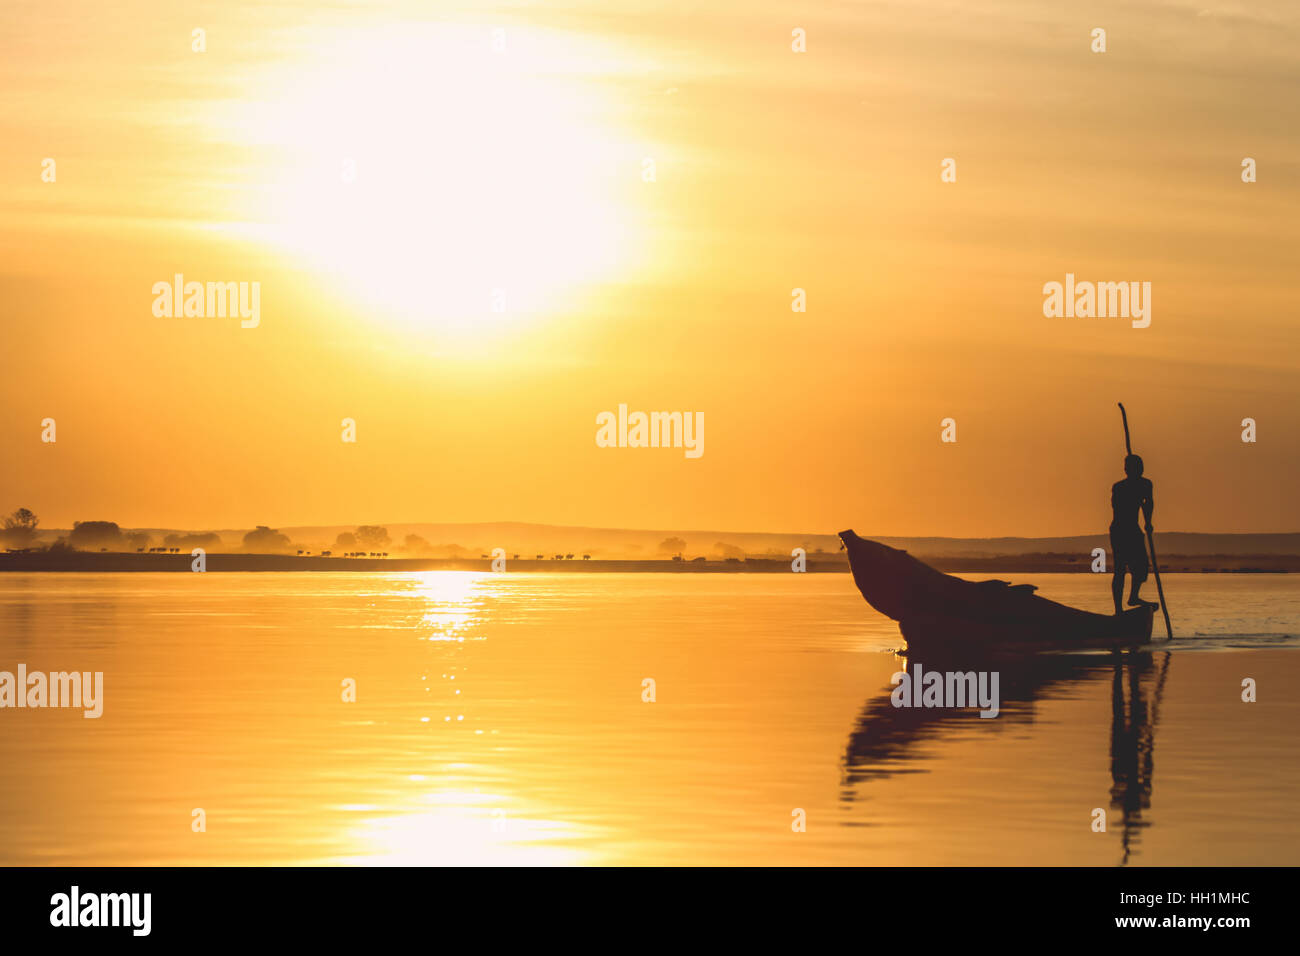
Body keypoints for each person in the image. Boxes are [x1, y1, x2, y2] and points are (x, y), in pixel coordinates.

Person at [1110, 454, 1158, 615]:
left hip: (1134, 529)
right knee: (1120, 569)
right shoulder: (1119, 487)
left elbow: (1149, 503)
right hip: (1120, 530)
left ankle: (1133, 597)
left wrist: (1148, 522)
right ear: (1127, 470)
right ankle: (1118, 610)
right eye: (1135, 467)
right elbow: (1117, 507)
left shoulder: (1145, 484)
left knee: (1142, 566)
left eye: (1141, 467)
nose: (1140, 470)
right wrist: (1134, 494)